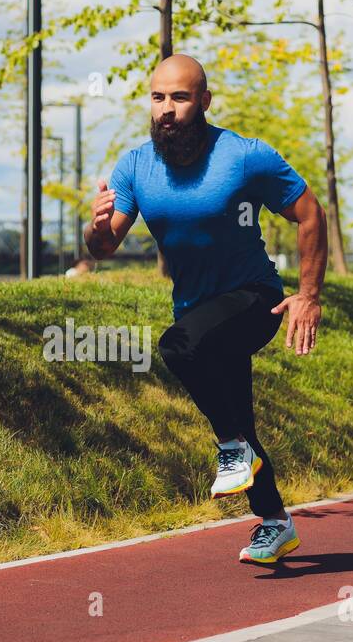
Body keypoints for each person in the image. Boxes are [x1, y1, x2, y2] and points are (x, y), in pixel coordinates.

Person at [86, 54, 328, 565]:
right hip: (198, 308)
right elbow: (104, 248)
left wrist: (307, 295)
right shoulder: (135, 166)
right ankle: (276, 521)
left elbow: (309, 213)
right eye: (158, 98)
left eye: (180, 97)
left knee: (178, 346)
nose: (167, 110)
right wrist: (95, 226)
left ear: (204, 101)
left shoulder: (244, 157)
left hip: (254, 298)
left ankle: (229, 447)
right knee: (240, 415)